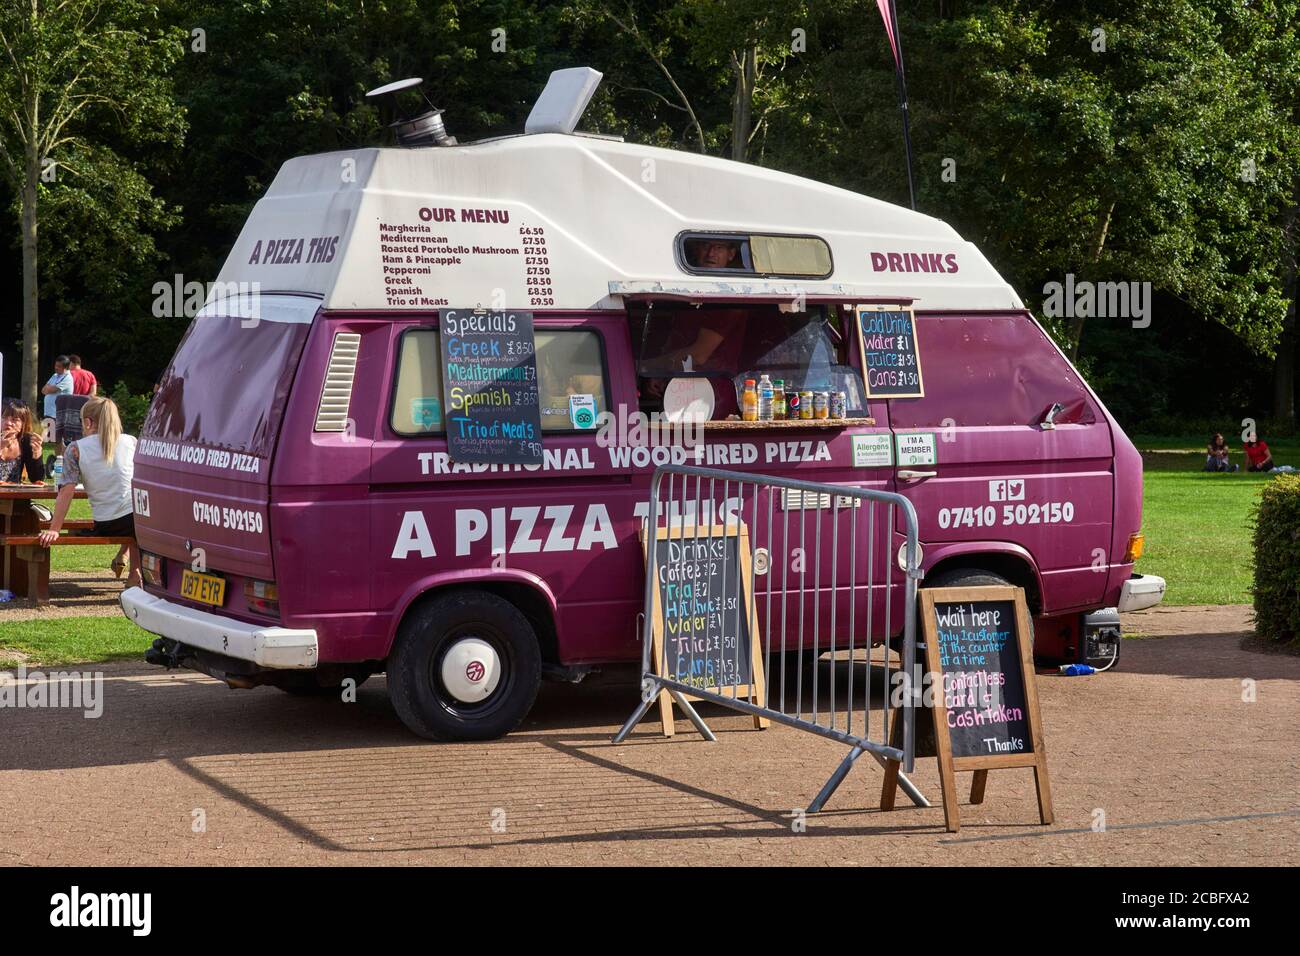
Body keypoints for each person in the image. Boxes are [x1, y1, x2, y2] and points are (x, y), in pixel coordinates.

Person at [37, 396, 140, 587]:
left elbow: (66, 492)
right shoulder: (132, 442)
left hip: (108, 522)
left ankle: (129, 564)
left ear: (87, 422)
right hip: (138, 521)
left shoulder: (76, 449)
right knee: (136, 520)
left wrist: (54, 529)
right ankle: (134, 572)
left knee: (127, 519)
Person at [0, 399, 45, 483]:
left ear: (23, 423)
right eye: (4, 417)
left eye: (14, 419)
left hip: (14, 491)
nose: (8, 423)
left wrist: (36, 456)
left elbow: (36, 479)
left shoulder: (26, 441)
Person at [40, 355, 74, 441]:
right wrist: (50, 389)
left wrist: (50, 388)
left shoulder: (67, 378)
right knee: (48, 439)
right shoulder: (55, 375)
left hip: (57, 413)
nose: (56, 368)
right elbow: (43, 390)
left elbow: (51, 389)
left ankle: (58, 450)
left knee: (55, 439)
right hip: (49, 411)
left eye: (59, 366)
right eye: (55, 365)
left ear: (66, 368)